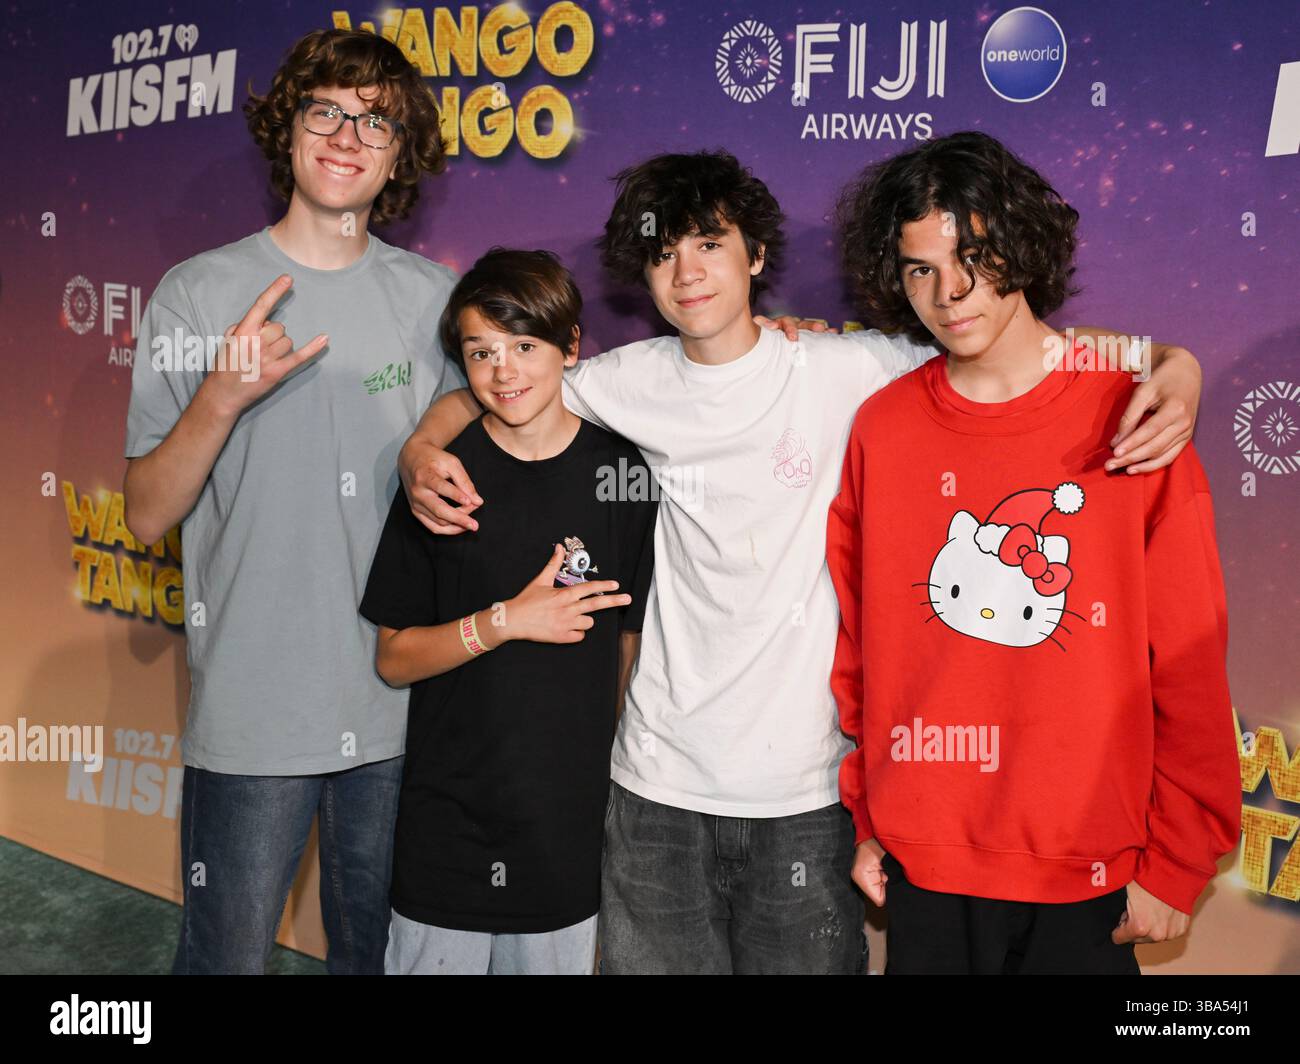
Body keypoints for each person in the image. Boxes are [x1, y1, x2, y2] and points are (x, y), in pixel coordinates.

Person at [395, 149, 1205, 974]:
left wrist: (1173, 362)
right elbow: (503, 379)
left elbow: (1030, 347)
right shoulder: (626, 380)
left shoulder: (852, 370)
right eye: (663, 252)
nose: (687, 272)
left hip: (808, 796)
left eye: (709, 244)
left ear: (756, 255)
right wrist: (421, 446)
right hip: (656, 787)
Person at [826, 130, 1240, 974]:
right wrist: (872, 814)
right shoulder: (883, 426)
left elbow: (1189, 657)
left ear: (1022, 244)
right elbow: (862, 647)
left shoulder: (1135, 413)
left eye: (974, 255)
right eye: (920, 269)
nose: (949, 292)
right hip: (928, 860)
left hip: (1088, 868)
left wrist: (1178, 859)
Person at [122, 28, 463, 974]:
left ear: (401, 154)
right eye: (327, 110)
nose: (349, 135)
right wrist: (221, 396)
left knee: (381, 962)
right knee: (224, 959)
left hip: (399, 701)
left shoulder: (438, 301)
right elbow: (147, 512)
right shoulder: (198, 294)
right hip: (255, 706)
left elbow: (538, 400)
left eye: (377, 121)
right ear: (289, 126)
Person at [360, 248, 657, 974]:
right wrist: (506, 621)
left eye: (525, 345)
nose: (505, 371)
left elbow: (626, 644)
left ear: (571, 347)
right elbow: (394, 657)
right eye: (481, 352)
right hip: (447, 825)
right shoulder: (442, 475)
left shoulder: (621, 474)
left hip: (563, 829)